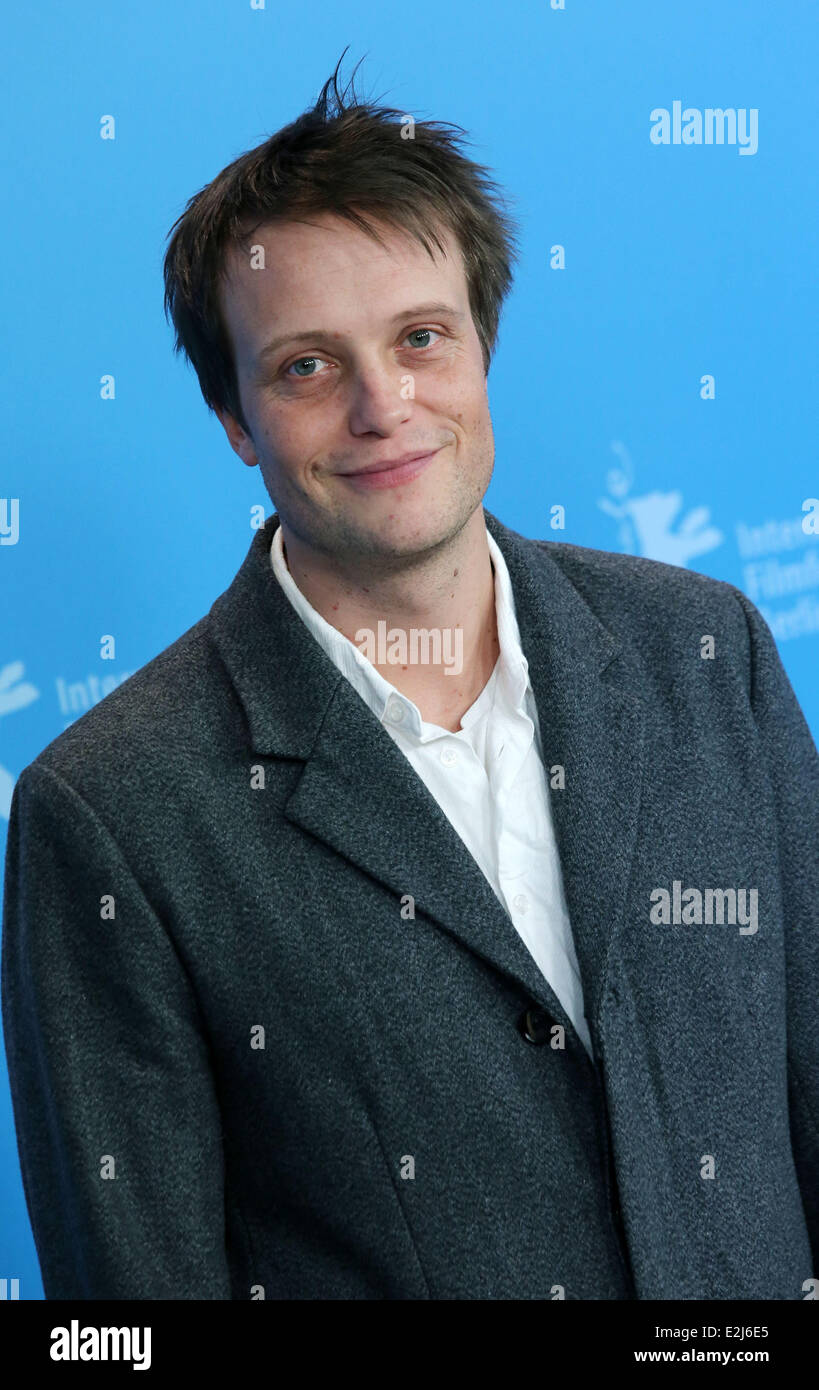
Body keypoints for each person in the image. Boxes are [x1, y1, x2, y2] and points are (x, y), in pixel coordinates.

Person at [3, 54, 817, 1301]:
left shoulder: (707, 653)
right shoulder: (111, 811)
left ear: (482, 343)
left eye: (421, 338)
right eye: (307, 367)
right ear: (235, 419)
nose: (386, 405)